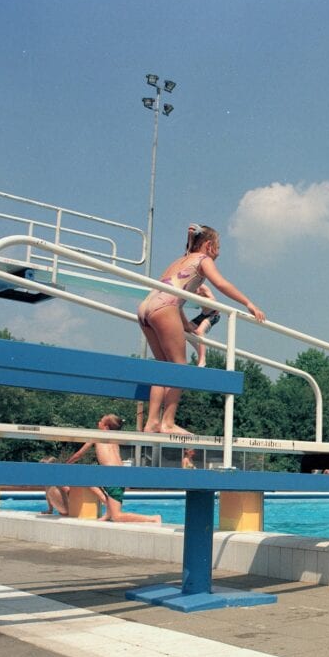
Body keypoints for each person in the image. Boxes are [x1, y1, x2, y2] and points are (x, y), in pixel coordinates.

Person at [137, 223, 265, 434]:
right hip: (164, 307)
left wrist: (185, 324)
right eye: (218, 247)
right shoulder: (203, 259)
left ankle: (152, 422)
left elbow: (173, 293)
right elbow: (221, 284)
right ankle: (167, 422)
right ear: (208, 245)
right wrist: (248, 303)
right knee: (180, 366)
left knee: (163, 367)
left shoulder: (180, 260)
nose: (219, 253)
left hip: (146, 307)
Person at [65, 414, 162, 524]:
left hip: (112, 476)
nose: (98, 422)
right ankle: (108, 513)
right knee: (87, 477)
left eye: (101, 421)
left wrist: (67, 464)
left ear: (106, 427)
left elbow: (79, 454)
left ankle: (153, 518)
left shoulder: (97, 436)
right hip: (118, 474)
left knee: (117, 517)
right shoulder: (115, 439)